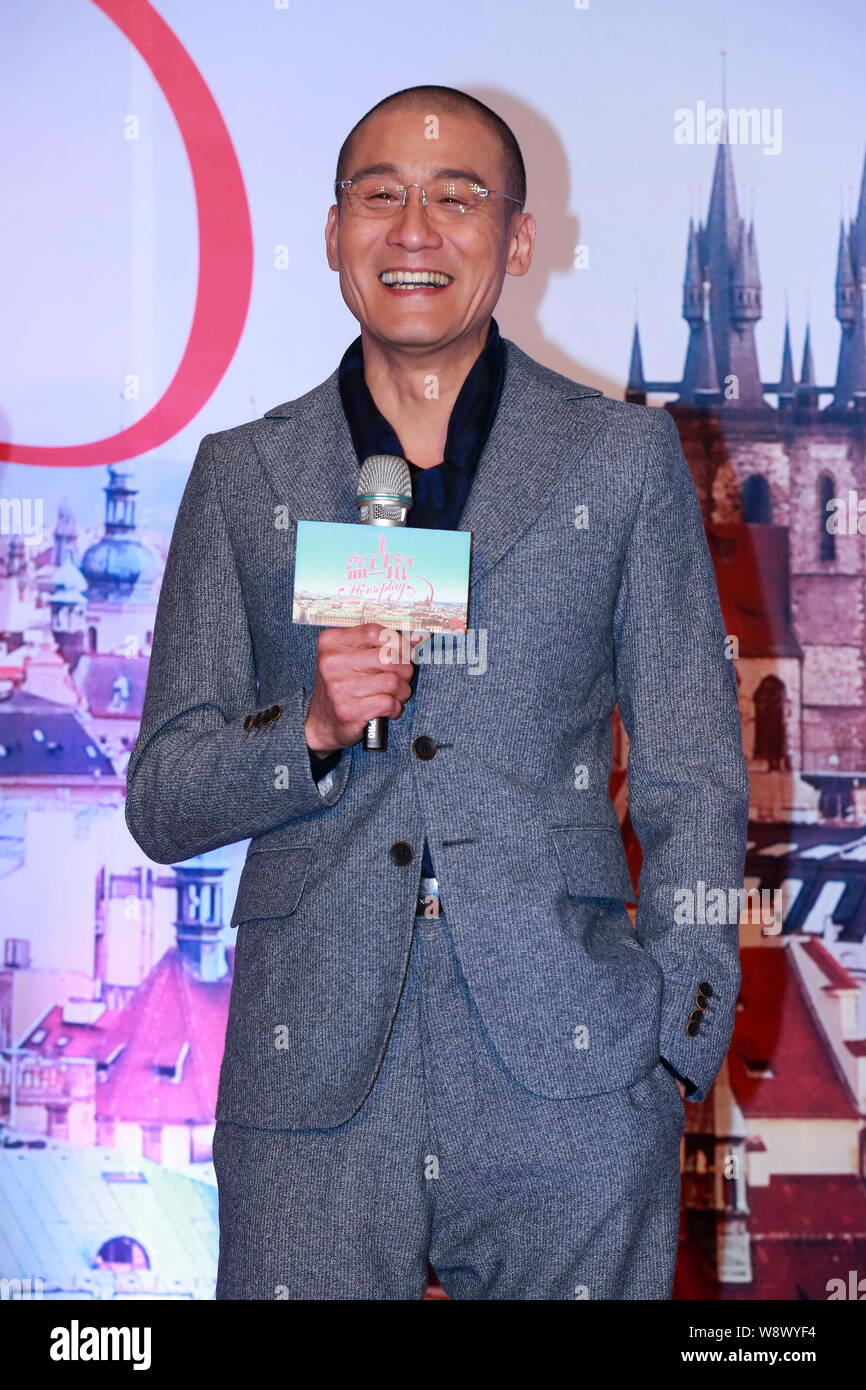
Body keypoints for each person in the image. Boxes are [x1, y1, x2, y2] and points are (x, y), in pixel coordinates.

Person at [125, 84, 749, 1301]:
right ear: (332, 233)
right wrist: (302, 727)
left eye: (455, 198)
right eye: (380, 197)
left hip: (572, 1078)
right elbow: (161, 795)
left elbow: (692, 770)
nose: (414, 229)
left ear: (515, 240)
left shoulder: (619, 462)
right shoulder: (241, 474)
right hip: (307, 1088)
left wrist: (676, 1038)